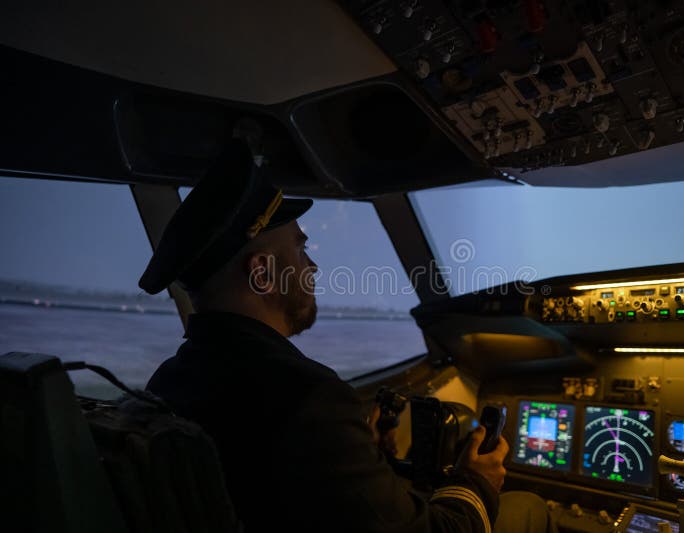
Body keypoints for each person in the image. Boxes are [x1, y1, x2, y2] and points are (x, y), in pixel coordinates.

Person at [140, 139, 554, 532]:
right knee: (529, 508)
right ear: (263, 274)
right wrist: (475, 481)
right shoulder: (306, 398)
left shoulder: (167, 382)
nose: (313, 267)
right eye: (301, 251)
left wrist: (357, 454)